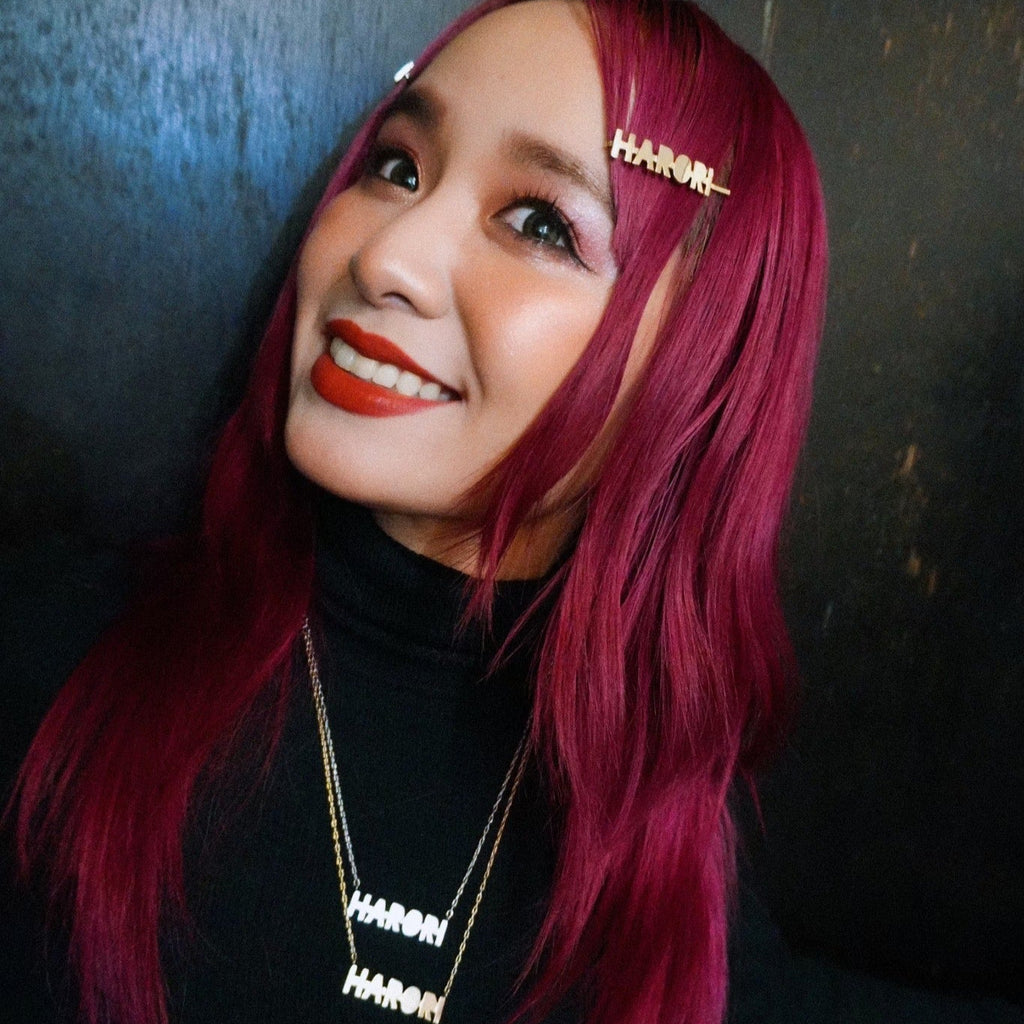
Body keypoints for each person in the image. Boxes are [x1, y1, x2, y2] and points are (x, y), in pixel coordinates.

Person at [4, 1, 828, 1023]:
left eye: (539, 223)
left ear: (701, 360)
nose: (385, 257)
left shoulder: (678, 888)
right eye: (397, 167)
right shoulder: (48, 668)